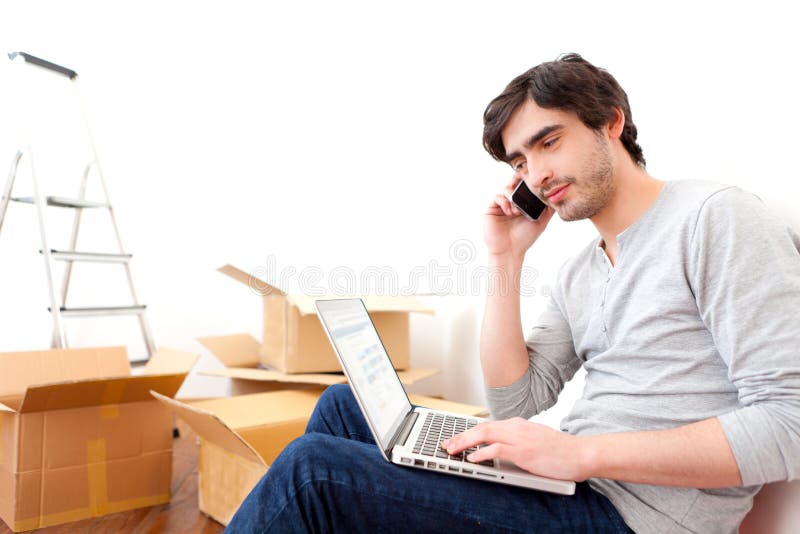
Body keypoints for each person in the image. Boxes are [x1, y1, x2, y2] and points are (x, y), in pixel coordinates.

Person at [225, 54, 800, 533]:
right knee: (341, 410)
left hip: (630, 517)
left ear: (611, 124)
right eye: (521, 161)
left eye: (548, 142)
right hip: (570, 484)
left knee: (312, 471)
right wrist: (506, 259)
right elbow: (515, 402)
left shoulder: (714, 219)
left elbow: (789, 423)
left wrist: (580, 454)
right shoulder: (582, 269)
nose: (537, 174)